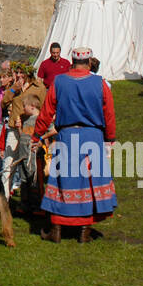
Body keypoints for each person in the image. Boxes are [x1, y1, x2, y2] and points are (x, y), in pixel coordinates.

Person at [31, 46, 116, 242]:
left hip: (68, 136)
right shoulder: (100, 83)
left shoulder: (59, 82)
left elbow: (46, 111)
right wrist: (110, 138)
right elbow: (108, 113)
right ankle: (84, 230)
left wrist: (37, 135)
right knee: (88, 182)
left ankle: (57, 230)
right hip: (93, 136)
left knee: (64, 181)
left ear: (72, 61)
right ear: (88, 62)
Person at [1, 66, 44, 202]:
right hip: (14, 128)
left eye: (21, 73)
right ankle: (5, 199)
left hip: (30, 128)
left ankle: (32, 198)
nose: (19, 75)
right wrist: (14, 89)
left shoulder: (38, 87)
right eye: (17, 72)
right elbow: (4, 103)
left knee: (29, 164)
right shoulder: (13, 87)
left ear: (28, 73)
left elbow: (44, 106)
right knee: (8, 163)